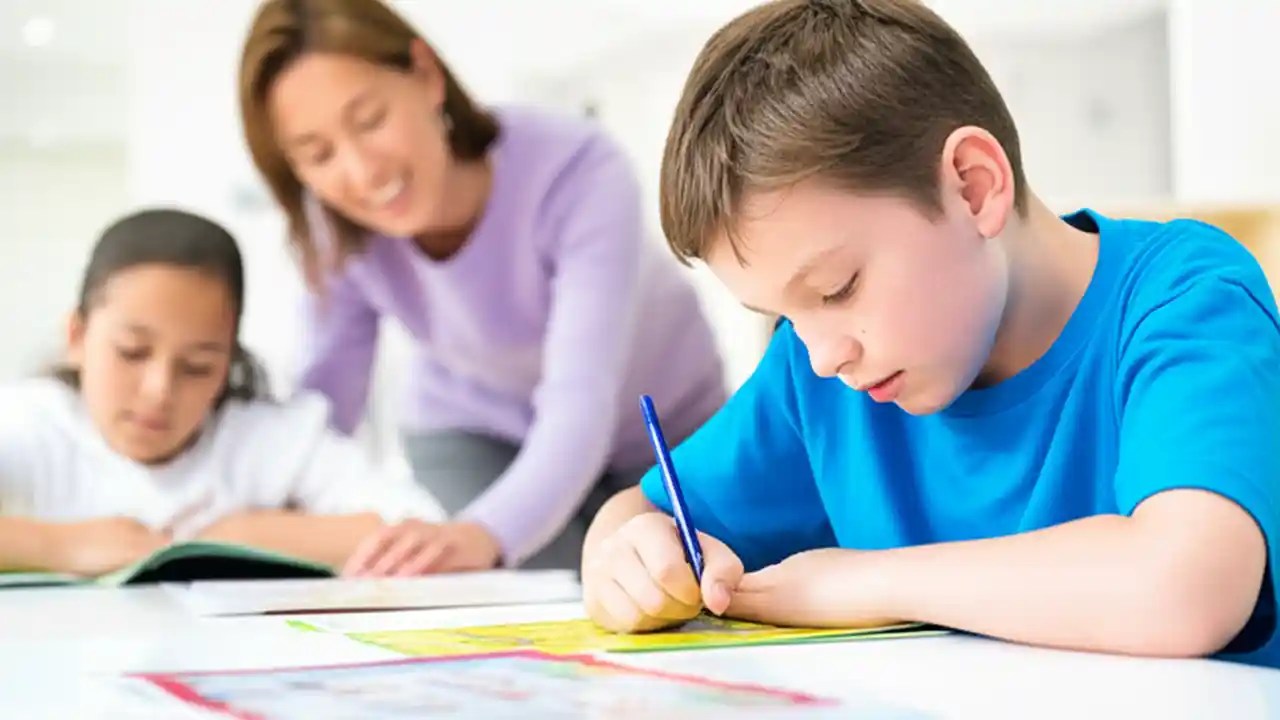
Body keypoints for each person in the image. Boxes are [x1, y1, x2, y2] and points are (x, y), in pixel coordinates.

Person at [582, 0, 1280, 667]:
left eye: (837, 288)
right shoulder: (817, 370)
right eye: (786, 315)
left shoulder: (1184, 297)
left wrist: (866, 583)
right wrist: (629, 560)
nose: (823, 355)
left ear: (974, 188)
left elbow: (1187, 586)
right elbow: (636, 513)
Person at [237, 0, 725, 573]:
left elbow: (579, 400)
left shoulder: (578, 169)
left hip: (662, 430)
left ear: (425, 75)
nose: (362, 173)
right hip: (475, 431)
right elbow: (325, 407)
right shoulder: (336, 232)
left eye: (369, 121)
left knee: (665, 584)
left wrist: (485, 532)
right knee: (543, 601)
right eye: (317, 155)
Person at [0, 209, 444, 578]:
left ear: (229, 363)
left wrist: (229, 540)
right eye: (132, 352)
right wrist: (59, 546)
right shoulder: (28, 424)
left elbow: (425, 528)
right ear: (77, 337)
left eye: (198, 366)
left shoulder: (268, 439)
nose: (159, 391)